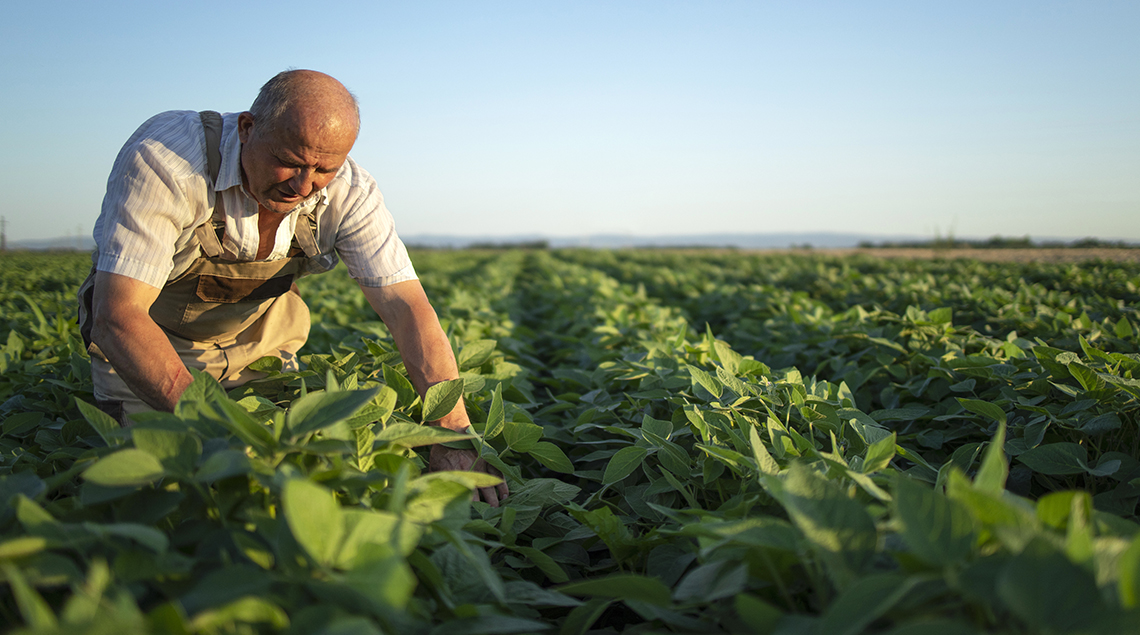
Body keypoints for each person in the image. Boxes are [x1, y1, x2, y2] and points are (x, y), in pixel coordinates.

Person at [77, 69, 508, 506]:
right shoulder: (168, 159)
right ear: (247, 128)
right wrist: (221, 431)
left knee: (301, 483)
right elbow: (118, 317)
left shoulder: (352, 191)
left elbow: (405, 307)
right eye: (290, 161)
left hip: (262, 347)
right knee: (164, 491)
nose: (303, 185)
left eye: (324, 169)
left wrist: (451, 432)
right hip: (152, 349)